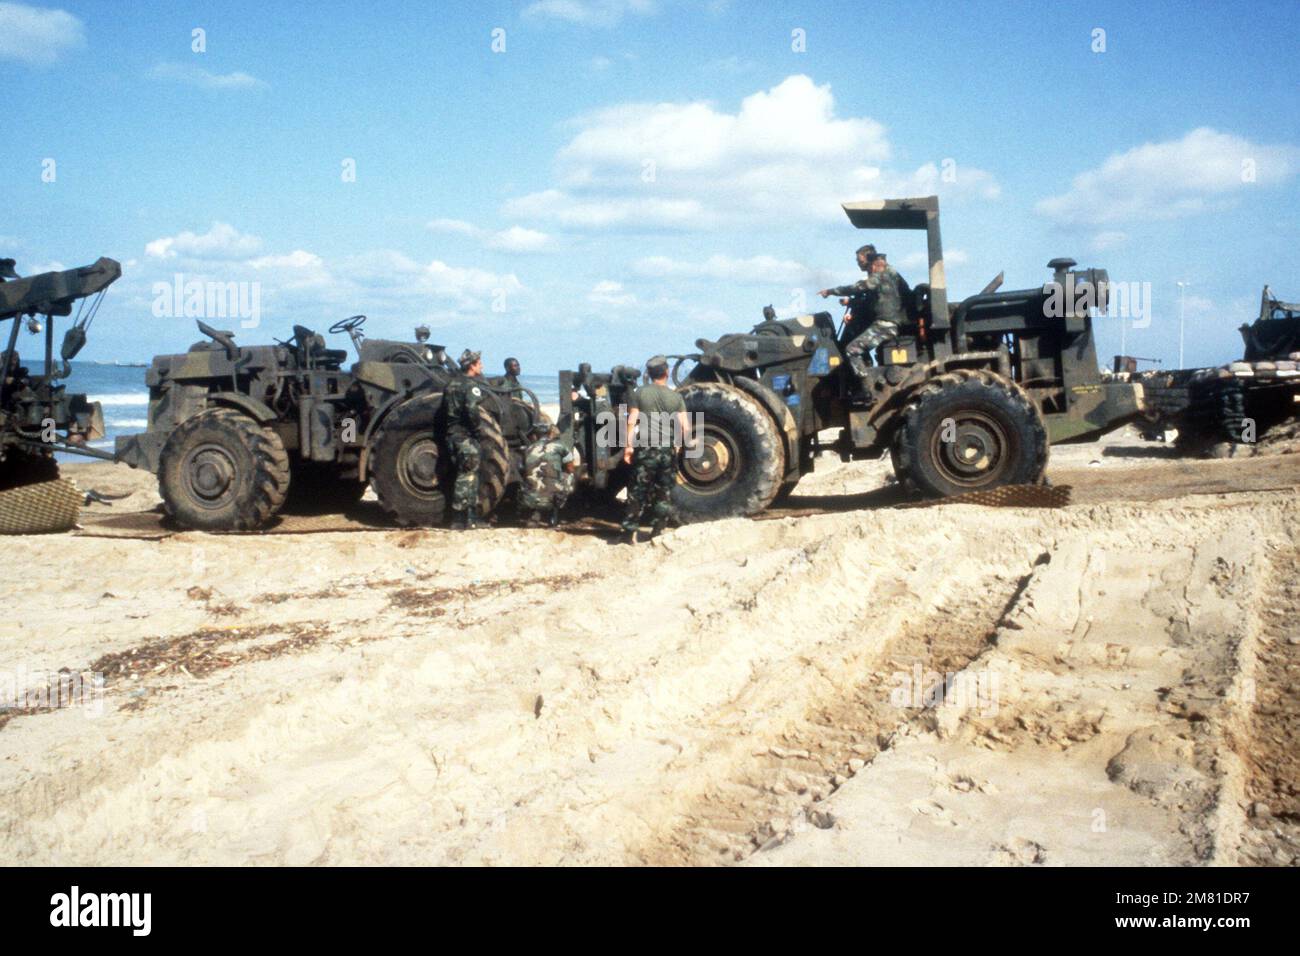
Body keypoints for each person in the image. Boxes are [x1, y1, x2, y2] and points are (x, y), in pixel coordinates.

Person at [617, 355, 689, 544]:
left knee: (637, 492)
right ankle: (657, 533)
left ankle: (628, 534)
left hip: (646, 449)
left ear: (648, 374)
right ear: (666, 373)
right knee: (663, 493)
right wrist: (678, 446)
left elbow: (632, 420)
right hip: (666, 451)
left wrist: (628, 447)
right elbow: (685, 427)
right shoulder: (676, 397)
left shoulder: (640, 393)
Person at [819, 250, 906, 383]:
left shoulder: (880, 276)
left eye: (865, 264)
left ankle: (865, 386)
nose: (867, 268)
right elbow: (874, 300)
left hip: (885, 324)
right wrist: (852, 302)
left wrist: (831, 291)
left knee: (851, 350)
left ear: (873, 264)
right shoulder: (892, 276)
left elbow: (858, 287)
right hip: (889, 322)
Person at [445, 348, 485, 530]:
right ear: (472, 366)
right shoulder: (470, 386)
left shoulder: (451, 384)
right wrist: (478, 430)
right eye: (479, 363)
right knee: (467, 475)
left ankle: (471, 518)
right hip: (464, 435)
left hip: (452, 433)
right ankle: (460, 518)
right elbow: (471, 410)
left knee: (467, 473)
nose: (481, 366)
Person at [519, 421, 579, 528]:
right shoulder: (561, 447)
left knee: (534, 480)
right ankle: (555, 516)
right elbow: (570, 468)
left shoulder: (529, 448)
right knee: (568, 477)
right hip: (553, 494)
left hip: (529, 498)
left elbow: (523, 469)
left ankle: (534, 517)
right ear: (550, 433)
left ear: (535, 435)